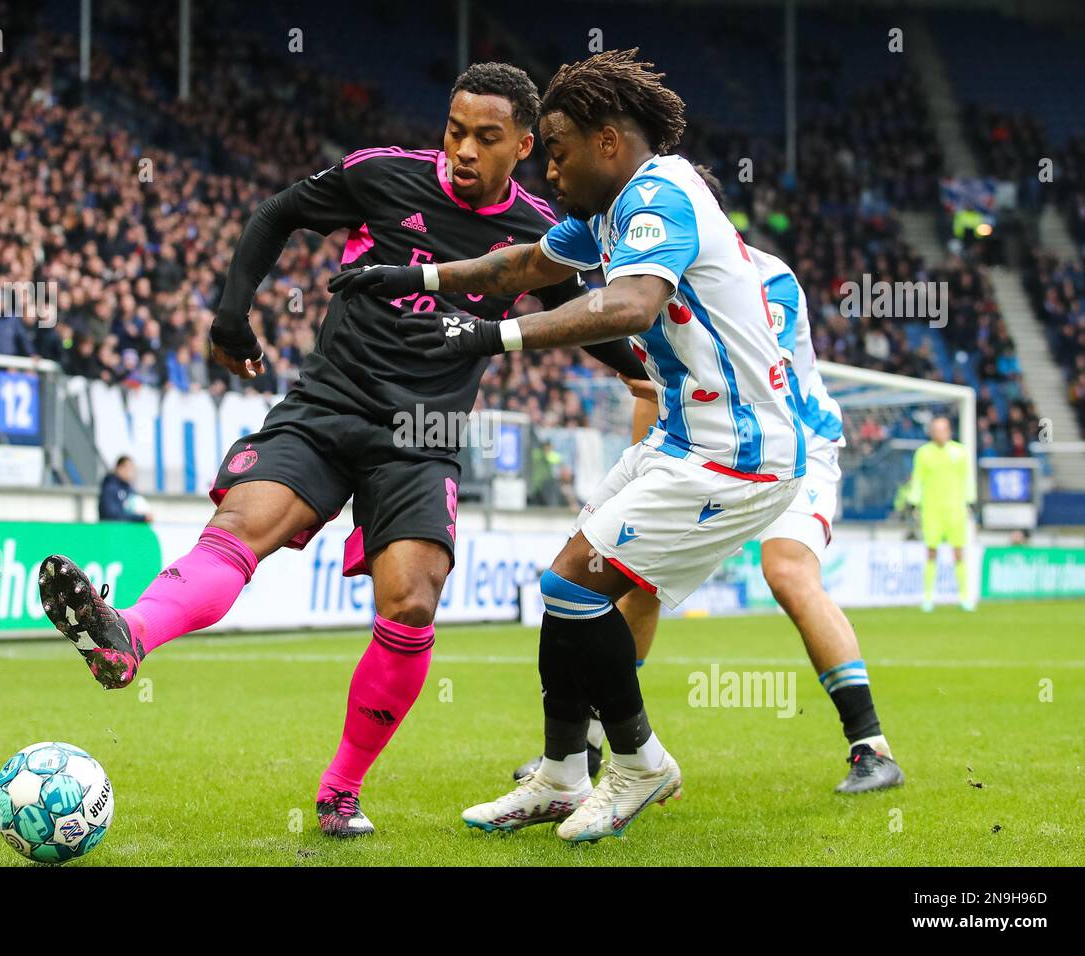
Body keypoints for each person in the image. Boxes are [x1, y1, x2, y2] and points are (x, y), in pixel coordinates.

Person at [37, 62, 644, 839]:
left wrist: (647, 373)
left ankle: (340, 791)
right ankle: (129, 635)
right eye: (454, 129)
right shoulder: (381, 174)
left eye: (485, 138)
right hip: (329, 405)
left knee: (412, 601)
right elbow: (274, 213)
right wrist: (231, 315)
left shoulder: (536, 232)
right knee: (240, 524)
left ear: (524, 145)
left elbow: (583, 317)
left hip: (421, 441)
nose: (462, 149)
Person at [340, 50, 805, 841]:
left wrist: (495, 337)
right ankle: (561, 774)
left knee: (573, 586)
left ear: (608, 143)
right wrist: (416, 281)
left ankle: (641, 762)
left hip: (739, 453)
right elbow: (520, 263)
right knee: (563, 588)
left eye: (555, 149)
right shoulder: (608, 210)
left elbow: (627, 305)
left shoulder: (658, 195)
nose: (547, 169)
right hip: (684, 439)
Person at [512, 167, 904, 794]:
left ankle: (871, 745)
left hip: (790, 443)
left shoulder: (765, 277)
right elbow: (655, 384)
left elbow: (737, 379)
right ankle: (587, 748)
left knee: (787, 572)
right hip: (706, 447)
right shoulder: (647, 272)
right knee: (630, 582)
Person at [910, 416, 975, 611]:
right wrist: (914, 502)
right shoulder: (923, 453)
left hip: (955, 509)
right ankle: (928, 597)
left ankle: (964, 597)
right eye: (935, 429)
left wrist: (971, 500)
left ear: (949, 431)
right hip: (932, 510)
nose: (939, 433)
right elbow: (917, 478)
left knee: (958, 552)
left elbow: (967, 478)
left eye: (942, 429)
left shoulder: (960, 452)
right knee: (931, 552)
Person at [99, 456, 150, 522]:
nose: (131, 472)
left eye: (132, 469)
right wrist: (139, 518)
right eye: (128, 468)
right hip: (112, 530)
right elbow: (110, 515)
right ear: (119, 468)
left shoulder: (130, 489)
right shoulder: (110, 487)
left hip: (127, 530)